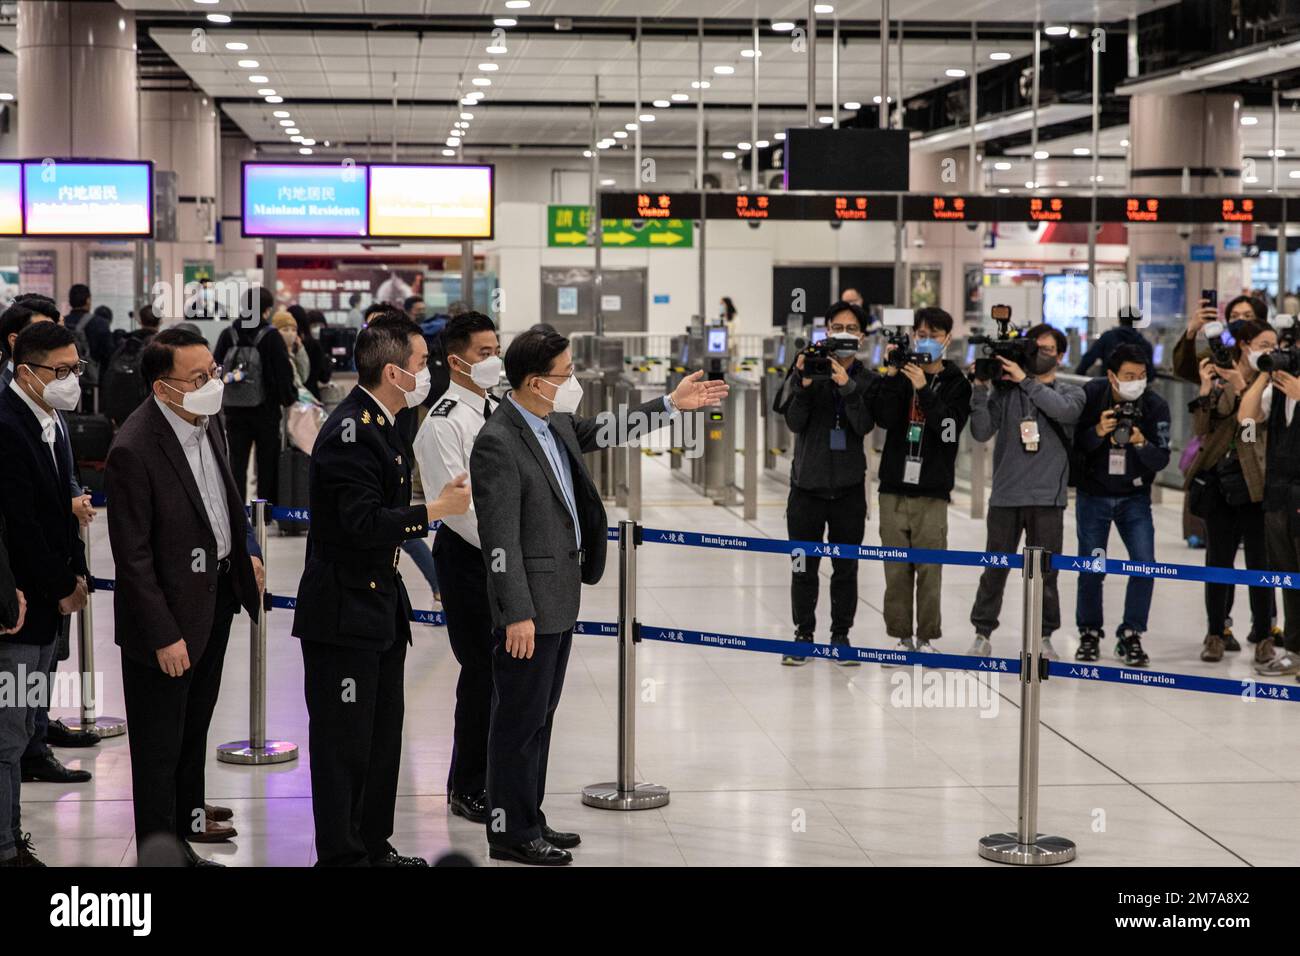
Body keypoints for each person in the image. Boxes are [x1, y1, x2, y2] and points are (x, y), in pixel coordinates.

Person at [472, 328, 728, 865]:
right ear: (537, 382)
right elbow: (499, 541)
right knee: (516, 724)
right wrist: (516, 612)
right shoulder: (499, 441)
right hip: (530, 610)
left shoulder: (553, 422)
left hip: (560, 599)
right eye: (566, 375)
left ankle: (530, 817)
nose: (574, 383)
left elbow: (606, 430)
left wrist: (670, 404)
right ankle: (509, 833)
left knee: (540, 717)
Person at [291, 311, 472, 867]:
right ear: (394, 372)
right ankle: (343, 855)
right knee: (345, 741)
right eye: (421, 363)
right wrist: (433, 511)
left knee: (380, 736)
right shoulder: (351, 431)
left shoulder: (384, 423)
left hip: (376, 605)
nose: (428, 372)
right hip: (344, 608)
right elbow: (360, 522)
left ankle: (372, 843)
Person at [106, 328, 267, 866]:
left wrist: (244, 554)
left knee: (194, 724)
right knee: (158, 745)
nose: (211, 385)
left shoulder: (208, 420)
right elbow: (132, 559)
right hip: (168, 618)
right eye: (198, 379)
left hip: (215, 596)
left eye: (213, 373)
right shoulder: (134, 447)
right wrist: (164, 634)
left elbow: (224, 496)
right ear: (162, 387)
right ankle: (160, 851)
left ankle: (188, 821)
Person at [0, 322, 90, 867]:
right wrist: (60, 587)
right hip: (20, 608)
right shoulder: (7, 426)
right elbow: (22, 524)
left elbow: (63, 508)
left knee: (20, 724)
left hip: (47, 603)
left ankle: (10, 840)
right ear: (26, 371)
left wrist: (75, 575)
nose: (70, 380)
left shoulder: (47, 417)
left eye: (75, 369)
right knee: (7, 735)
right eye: (61, 371)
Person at [412, 311, 501, 824]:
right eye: (484, 353)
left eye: (496, 349)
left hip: (498, 555)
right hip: (470, 557)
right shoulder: (444, 422)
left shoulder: (492, 407)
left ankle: (491, 777)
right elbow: (459, 510)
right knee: (480, 671)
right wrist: (506, 550)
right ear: (456, 359)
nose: (494, 360)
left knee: (501, 673)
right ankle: (467, 786)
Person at [969, 323, 1085, 659]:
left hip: (1048, 498)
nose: (1040, 355)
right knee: (994, 569)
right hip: (1006, 495)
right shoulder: (1004, 394)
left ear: (1060, 356)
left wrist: (1025, 381)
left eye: (1048, 350)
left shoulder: (1071, 392)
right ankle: (982, 632)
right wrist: (980, 389)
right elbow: (980, 431)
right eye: (1036, 348)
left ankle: (1044, 636)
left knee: (1046, 574)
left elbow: (1064, 412)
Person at [869, 307, 972, 655]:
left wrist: (924, 389)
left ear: (947, 339)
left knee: (930, 569)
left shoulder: (957, 384)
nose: (926, 340)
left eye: (935, 334)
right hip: (894, 485)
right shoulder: (901, 375)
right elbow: (882, 419)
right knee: (896, 570)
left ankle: (926, 637)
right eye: (921, 333)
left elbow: (947, 431)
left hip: (932, 489)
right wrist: (892, 374)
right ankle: (901, 637)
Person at [778, 300, 875, 665]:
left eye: (852, 329)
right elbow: (794, 422)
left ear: (862, 336)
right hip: (806, 487)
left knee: (845, 568)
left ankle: (840, 635)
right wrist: (803, 383)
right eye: (838, 327)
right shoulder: (809, 370)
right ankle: (803, 634)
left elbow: (865, 425)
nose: (844, 335)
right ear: (826, 331)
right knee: (803, 566)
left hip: (849, 489)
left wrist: (847, 386)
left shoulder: (867, 380)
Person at [1072, 344, 1172, 666]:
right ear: (1112, 376)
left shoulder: (1155, 405)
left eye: (1141, 376)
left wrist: (1141, 442)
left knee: (1144, 564)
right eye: (1129, 376)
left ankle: (1131, 633)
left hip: (1134, 498)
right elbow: (1076, 447)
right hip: (1094, 495)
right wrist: (1098, 431)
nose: (1136, 382)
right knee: (1092, 567)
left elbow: (1162, 458)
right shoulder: (1091, 395)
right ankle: (1089, 630)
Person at [1184, 319, 1277, 664]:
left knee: (1259, 564)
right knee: (1217, 562)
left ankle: (1265, 635)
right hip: (1219, 481)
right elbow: (1201, 430)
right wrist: (1207, 389)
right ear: (1243, 345)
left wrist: (1241, 389)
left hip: (1257, 483)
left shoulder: (1272, 380)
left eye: (1272, 345)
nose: (1269, 352)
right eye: (1263, 345)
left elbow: (1251, 431)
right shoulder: (1222, 374)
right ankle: (1215, 632)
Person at [1238, 330, 1300, 676]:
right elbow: (1245, 418)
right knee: (1289, 578)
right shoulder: (1277, 392)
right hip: (1277, 496)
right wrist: (1264, 372)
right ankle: (1294, 650)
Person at [214, 287, 297, 502]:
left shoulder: (228, 335)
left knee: (237, 462)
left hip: (233, 411)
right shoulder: (271, 337)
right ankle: (265, 512)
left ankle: (237, 509)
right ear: (267, 310)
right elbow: (283, 374)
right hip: (266, 410)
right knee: (267, 462)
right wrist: (288, 399)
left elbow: (215, 369)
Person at [100, 303, 162, 427]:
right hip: (148, 407)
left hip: (123, 408)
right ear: (160, 321)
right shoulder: (160, 344)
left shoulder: (126, 342)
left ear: (140, 321)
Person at [1074, 304, 1153, 376]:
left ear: (1119, 319)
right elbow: (1149, 373)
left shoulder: (1108, 337)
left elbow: (1089, 358)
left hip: (1109, 386)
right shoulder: (1144, 344)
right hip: (1136, 389)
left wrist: (1078, 374)